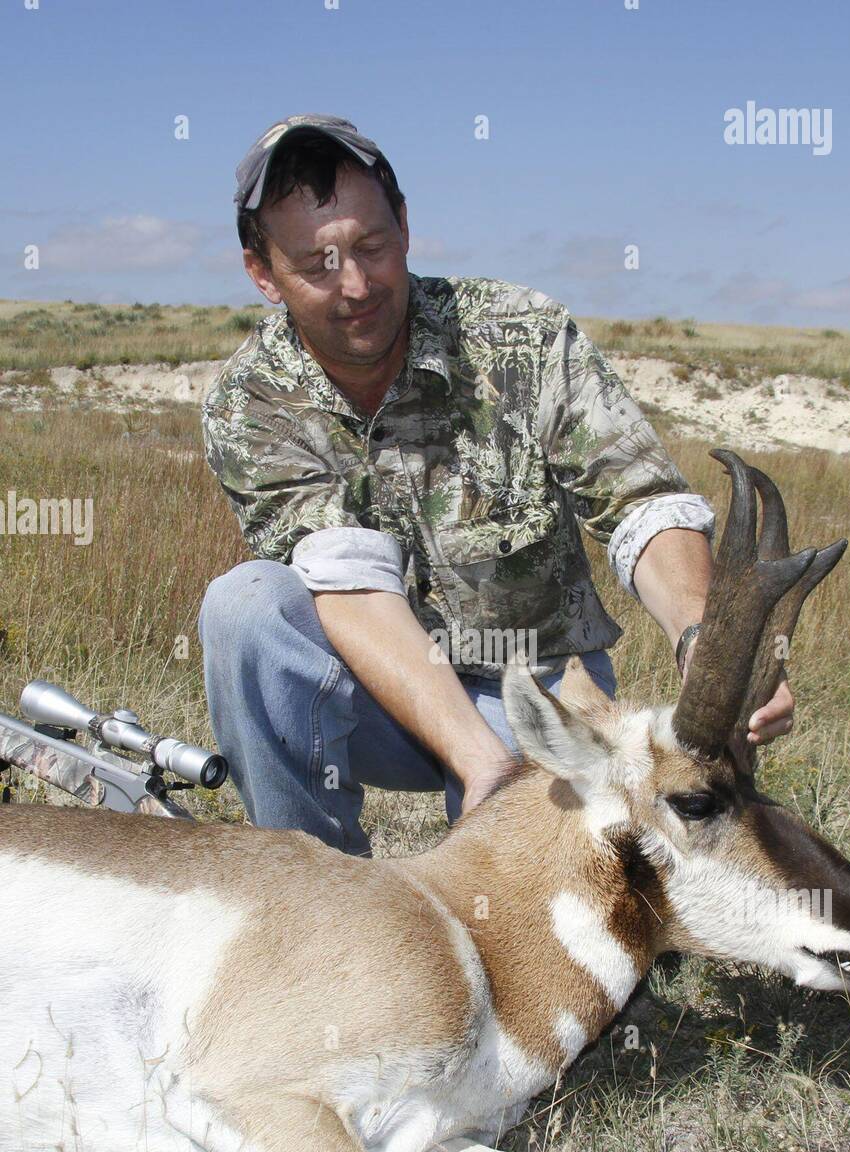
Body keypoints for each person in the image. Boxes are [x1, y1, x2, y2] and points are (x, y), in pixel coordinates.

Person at [198, 114, 794, 856]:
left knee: (560, 922)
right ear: (262, 273)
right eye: (315, 264)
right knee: (247, 607)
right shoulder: (252, 402)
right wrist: (483, 765)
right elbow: (347, 585)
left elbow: (638, 501)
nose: (353, 286)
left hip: (537, 689)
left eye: (371, 247)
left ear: (406, 228)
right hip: (375, 701)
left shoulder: (522, 335)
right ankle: (314, 892)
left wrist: (704, 638)